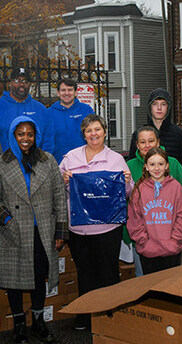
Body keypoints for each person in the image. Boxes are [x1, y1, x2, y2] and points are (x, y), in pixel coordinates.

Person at [0, 116, 69, 344]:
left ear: (36, 136)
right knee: (14, 281)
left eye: (29, 134)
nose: (25, 138)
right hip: (14, 230)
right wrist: (7, 219)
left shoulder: (48, 161)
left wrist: (60, 232)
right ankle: (19, 325)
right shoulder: (1, 164)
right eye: (20, 133)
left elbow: (59, 197)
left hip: (42, 230)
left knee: (38, 277)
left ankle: (39, 321)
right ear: (13, 135)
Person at [59, 114, 132, 330]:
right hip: (79, 229)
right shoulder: (70, 158)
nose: (94, 134)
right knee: (85, 273)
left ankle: (110, 315)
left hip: (108, 228)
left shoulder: (116, 159)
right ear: (83, 134)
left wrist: (126, 182)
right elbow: (58, 188)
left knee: (108, 273)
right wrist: (63, 180)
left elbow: (128, 192)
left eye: (97, 129)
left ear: (104, 132)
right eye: (89, 130)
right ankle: (86, 315)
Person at [124, 126, 182, 277]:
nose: (156, 168)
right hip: (147, 249)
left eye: (160, 164)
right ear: (146, 167)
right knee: (147, 288)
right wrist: (144, 243)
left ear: (167, 166)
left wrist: (175, 242)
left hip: (172, 248)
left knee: (171, 287)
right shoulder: (139, 188)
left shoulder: (175, 184)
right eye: (152, 165)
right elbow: (134, 218)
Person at [0, 66, 55, 155]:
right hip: (4, 165)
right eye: (17, 81)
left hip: (34, 165)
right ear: (10, 83)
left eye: (25, 81)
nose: (21, 84)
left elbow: (48, 140)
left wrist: (43, 163)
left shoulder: (41, 110)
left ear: (30, 84)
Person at [126, 88, 182, 180]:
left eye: (163, 104)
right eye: (155, 104)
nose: (159, 108)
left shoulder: (180, 135)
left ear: (168, 107)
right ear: (150, 107)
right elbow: (133, 164)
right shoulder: (139, 134)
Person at [47, 78, 94, 162]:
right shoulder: (49, 113)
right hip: (58, 163)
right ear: (58, 93)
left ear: (76, 92)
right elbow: (46, 139)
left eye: (70, 90)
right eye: (63, 90)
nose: (66, 93)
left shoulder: (86, 110)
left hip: (83, 162)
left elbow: (94, 136)